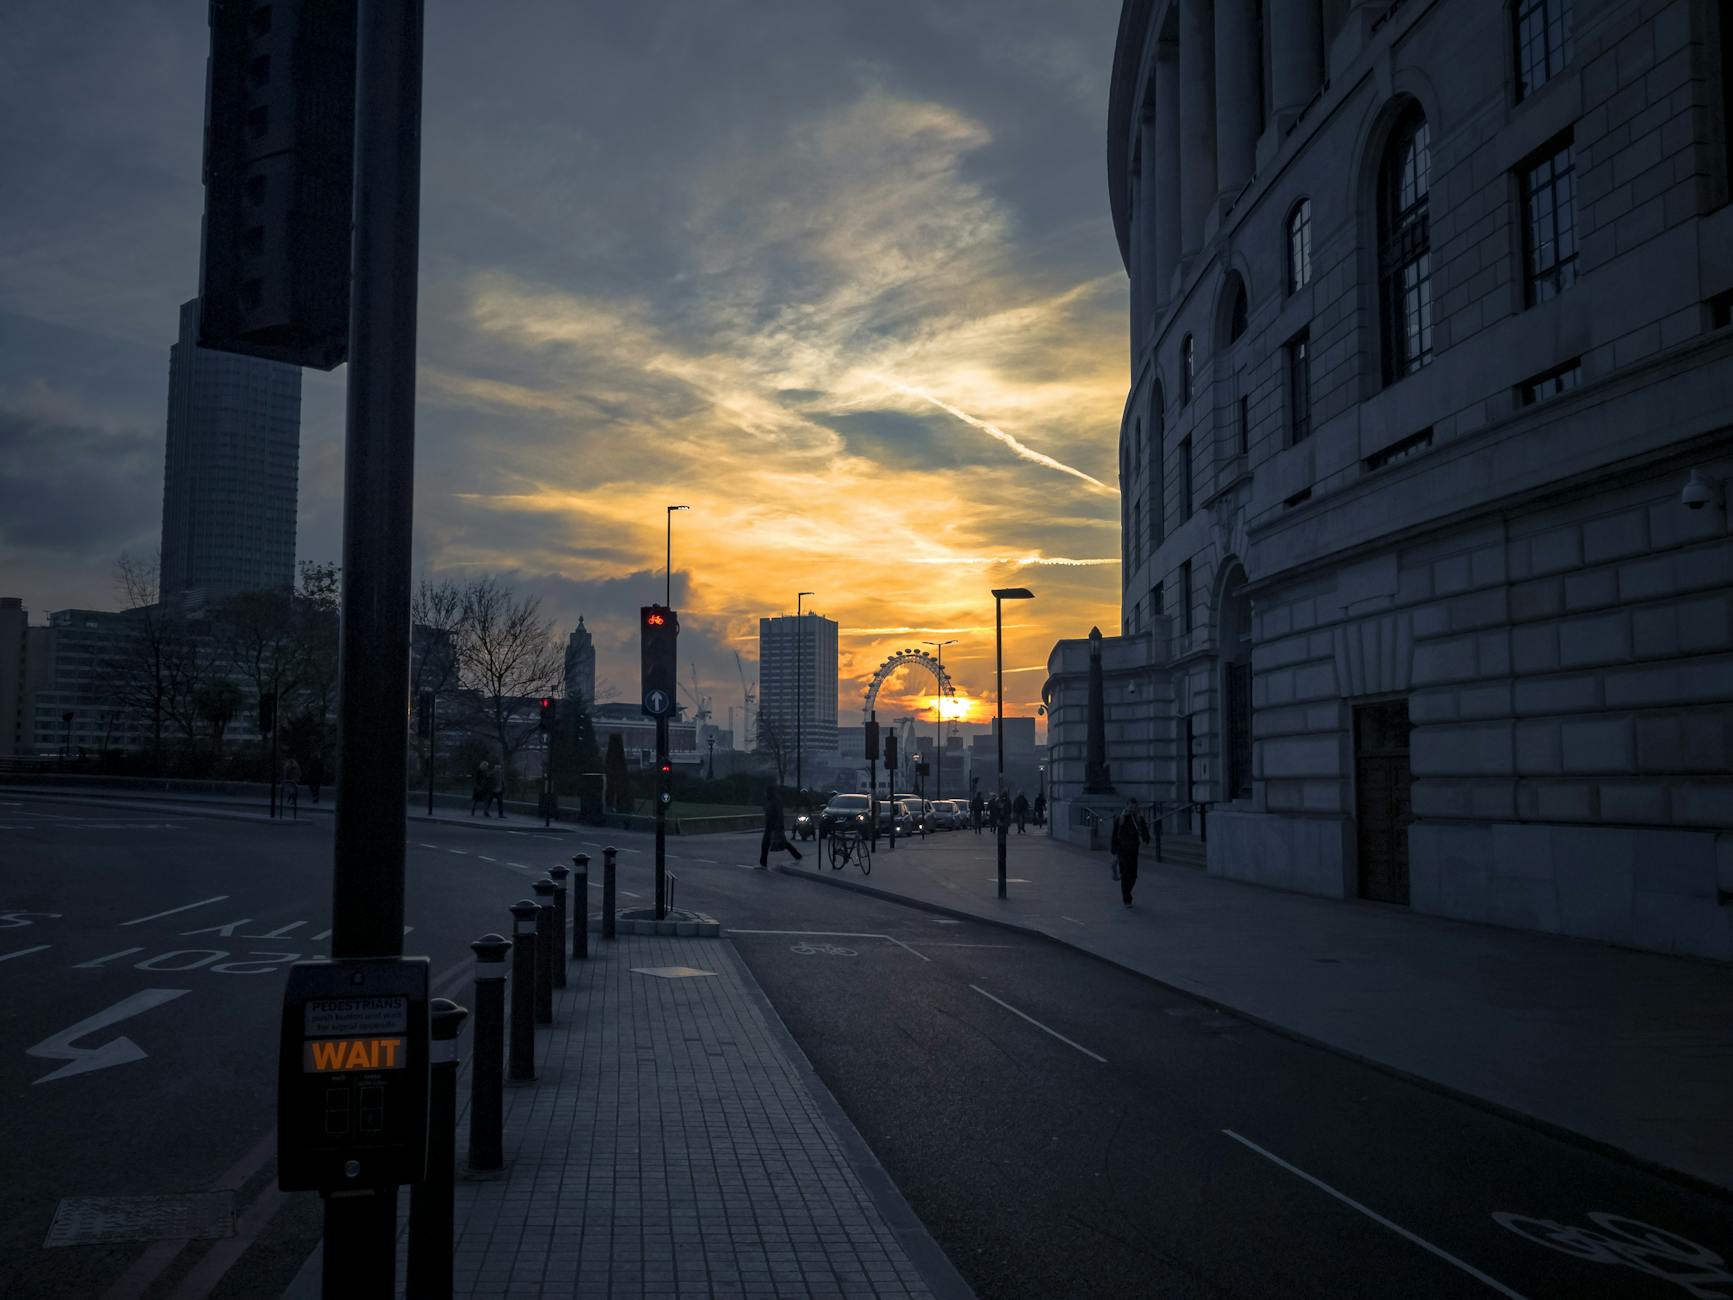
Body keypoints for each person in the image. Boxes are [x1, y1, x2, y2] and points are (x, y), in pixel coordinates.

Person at [1111, 798, 1150, 907]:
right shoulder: (1120, 819)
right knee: (1125, 874)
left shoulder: (1139, 819)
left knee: (1133, 875)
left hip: (1133, 850)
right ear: (1126, 806)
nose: (1132, 809)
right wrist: (1114, 852)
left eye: (1134, 807)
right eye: (1130, 806)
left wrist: (1146, 839)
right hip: (1122, 850)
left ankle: (1127, 893)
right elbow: (1115, 836)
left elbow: (1145, 831)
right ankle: (1127, 899)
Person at [759, 783, 803, 868]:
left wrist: (778, 826)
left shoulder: (776, 801)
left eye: (766, 792)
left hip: (775, 826)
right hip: (769, 826)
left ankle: (798, 856)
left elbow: (779, 814)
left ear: (769, 792)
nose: (765, 794)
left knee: (783, 843)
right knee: (765, 844)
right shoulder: (770, 800)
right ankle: (763, 863)